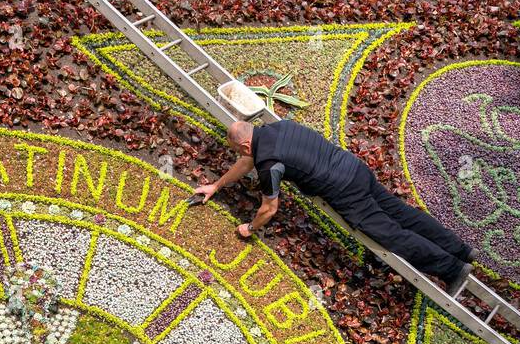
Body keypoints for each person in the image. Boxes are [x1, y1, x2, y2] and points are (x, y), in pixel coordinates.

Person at [193, 120, 475, 295]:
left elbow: (269, 208)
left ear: (245, 144)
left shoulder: (269, 164)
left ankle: (451, 268)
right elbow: (247, 160)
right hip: (353, 168)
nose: (241, 156)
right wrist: (216, 186)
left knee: (390, 234)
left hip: (344, 190)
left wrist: (250, 227)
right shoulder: (279, 127)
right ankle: (461, 249)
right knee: (403, 214)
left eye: (239, 150)